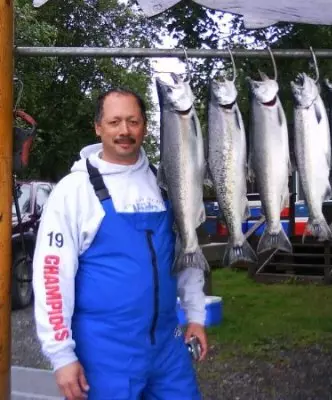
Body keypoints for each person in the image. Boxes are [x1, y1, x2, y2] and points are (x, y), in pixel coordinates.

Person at [32, 87, 208, 400]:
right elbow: (51, 276)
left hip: (167, 348)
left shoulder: (166, 182)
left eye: (133, 121)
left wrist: (195, 316)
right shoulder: (74, 190)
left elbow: (186, 255)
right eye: (114, 122)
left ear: (145, 126)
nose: (124, 131)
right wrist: (61, 355)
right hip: (104, 353)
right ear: (98, 127)